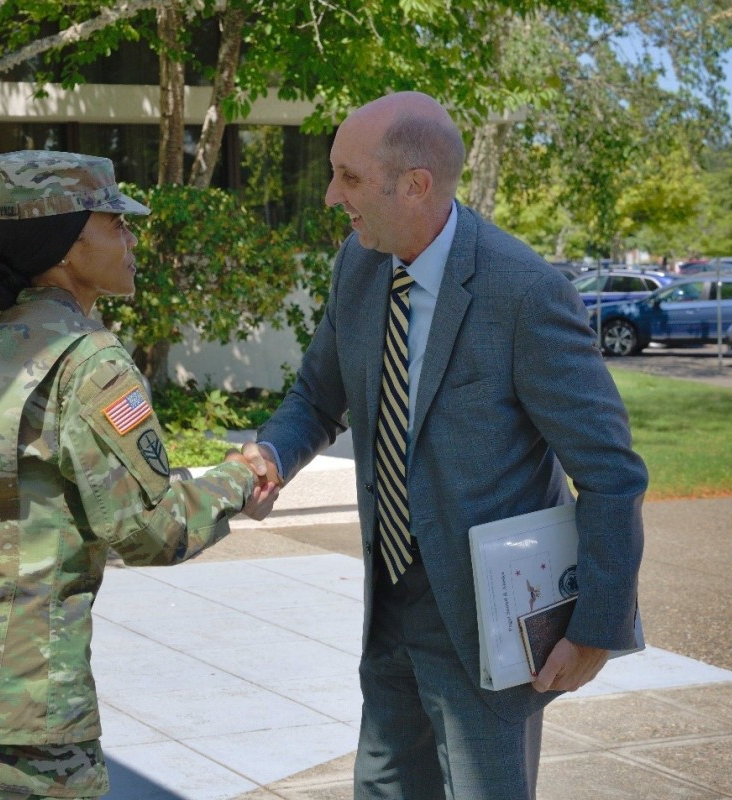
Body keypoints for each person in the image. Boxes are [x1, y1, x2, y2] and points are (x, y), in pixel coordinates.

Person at [241, 92, 647, 799]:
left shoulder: (522, 293)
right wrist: (274, 454)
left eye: (351, 177)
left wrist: (596, 628)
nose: (335, 195)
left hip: (488, 623)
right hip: (390, 606)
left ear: (416, 185)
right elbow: (315, 397)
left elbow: (611, 473)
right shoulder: (358, 266)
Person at [0, 150, 277, 799]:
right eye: (112, 222)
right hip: (20, 713)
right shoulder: (89, 362)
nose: (130, 237)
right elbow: (153, 531)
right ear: (64, 243)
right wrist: (238, 475)